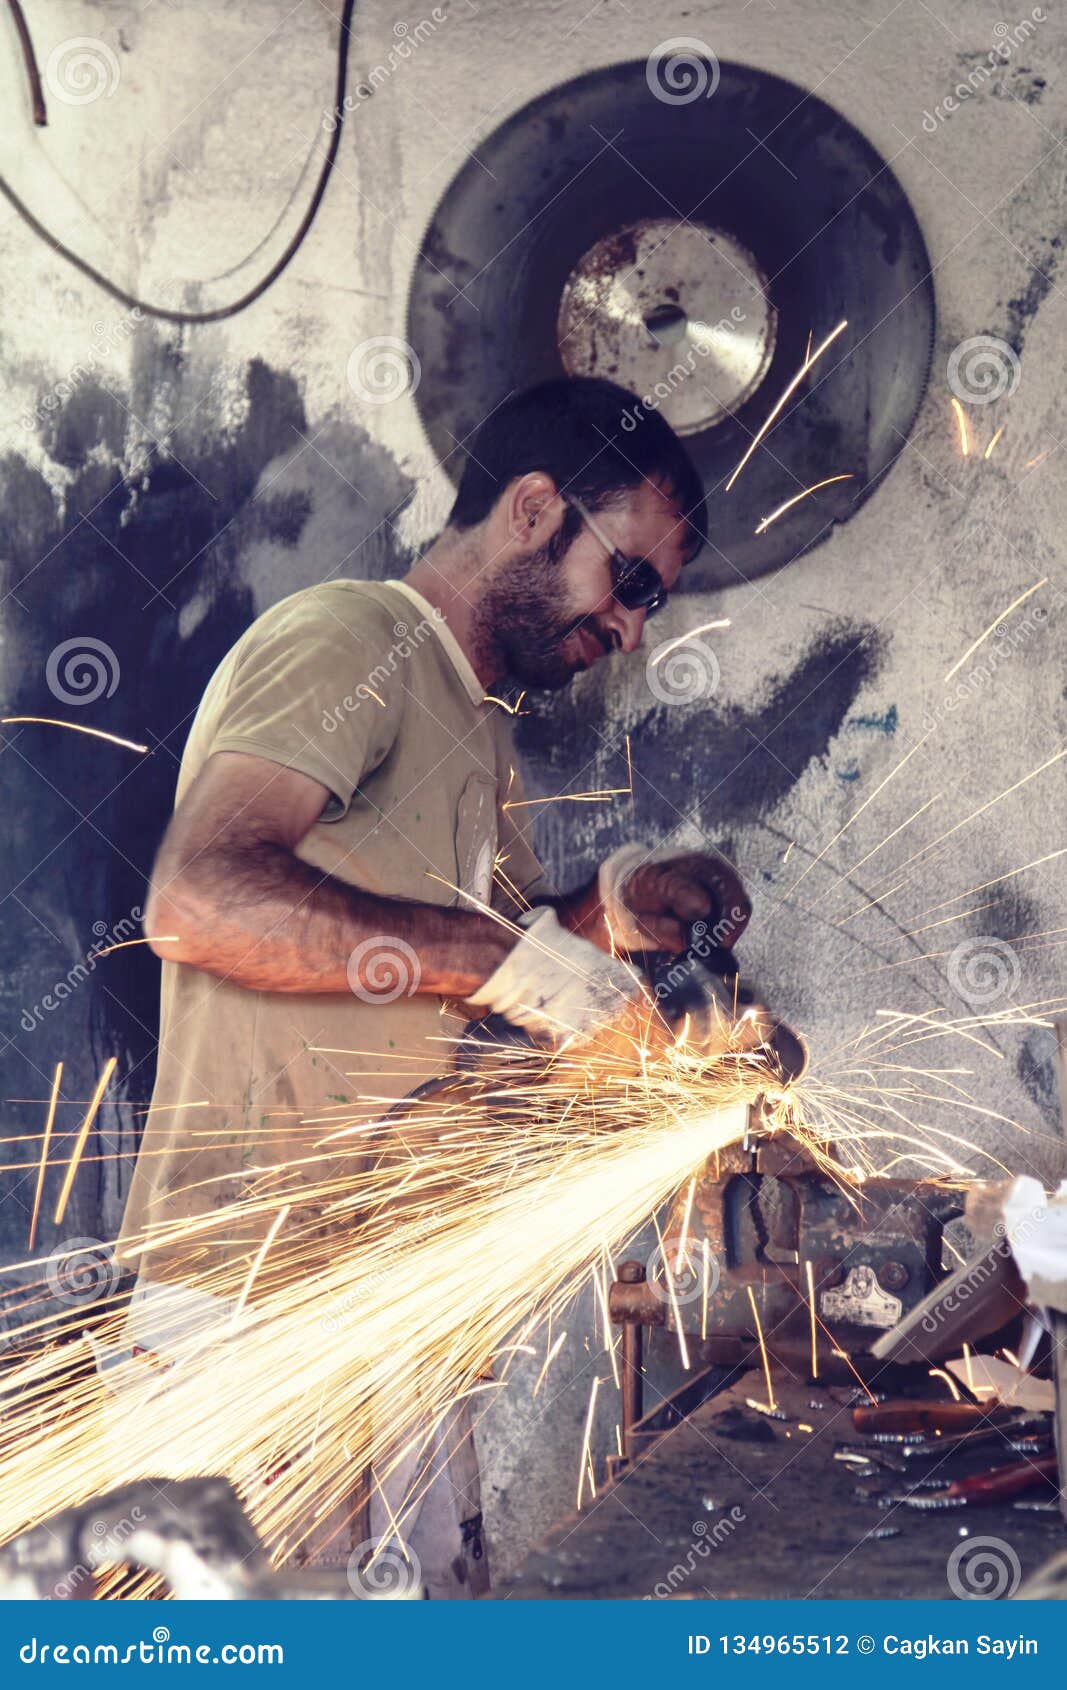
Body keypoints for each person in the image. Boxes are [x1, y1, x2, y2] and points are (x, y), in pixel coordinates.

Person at [117, 375, 752, 1596]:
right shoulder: (350, 640)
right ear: (531, 510)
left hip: (385, 1294)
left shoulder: (472, 721)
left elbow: (476, 943)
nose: (631, 629)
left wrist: (611, 906)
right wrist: (509, 961)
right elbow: (196, 900)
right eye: (628, 582)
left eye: (651, 600)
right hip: (251, 1306)